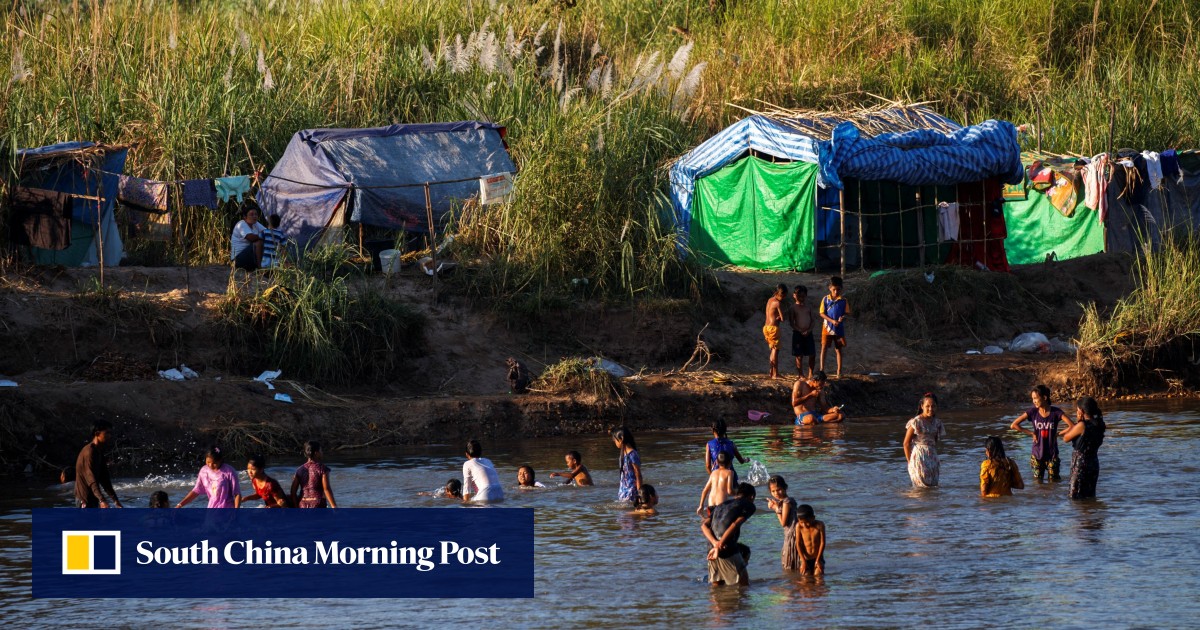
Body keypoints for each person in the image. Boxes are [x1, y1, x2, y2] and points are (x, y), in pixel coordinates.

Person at [1009, 384, 1074, 482]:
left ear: (1044, 397)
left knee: (1054, 483)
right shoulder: (1032, 412)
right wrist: (1031, 433)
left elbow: (1072, 426)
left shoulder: (1056, 412)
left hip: (1052, 454)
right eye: (1032, 399)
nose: (1034, 401)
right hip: (1037, 454)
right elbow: (1014, 425)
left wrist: (1058, 434)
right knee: (1038, 483)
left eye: (1036, 398)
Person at [701, 483, 757, 586]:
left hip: (710, 546)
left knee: (716, 585)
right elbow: (735, 524)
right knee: (743, 584)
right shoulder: (749, 504)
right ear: (752, 496)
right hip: (725, 545)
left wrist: (715, 543)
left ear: (736, 494)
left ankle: (717, 602)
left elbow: (704, 525)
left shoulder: (721, 505)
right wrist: (719, 544)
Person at [1060, 396, 1107, 499]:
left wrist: (1077, 423)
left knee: (1075, 496)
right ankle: (1091, 513)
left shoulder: (1082, 425)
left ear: (1081, 411)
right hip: (1094, 463)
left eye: (1077, 410)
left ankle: (1079, 515)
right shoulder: (1099, 424)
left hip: (1080, 464)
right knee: (1090, 495)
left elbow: (1065, 438)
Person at [73, 420, 123, 509]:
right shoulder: (89, 452)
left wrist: (116, 500)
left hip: (94, 497)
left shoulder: (99, 451)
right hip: (84, 499)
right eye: (107, 433)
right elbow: (91, 479)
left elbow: (105, 479)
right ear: (97, 434)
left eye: (110, 433)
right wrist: (102, 500)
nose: (109, 436)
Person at [903, 392, 946, 487]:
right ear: (922, 406)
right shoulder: (916, 421)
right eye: (928, 406)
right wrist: (910, 462)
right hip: (919, 457)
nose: (930, 409)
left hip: (932, 457)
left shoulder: (937, 423)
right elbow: (906, 443)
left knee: (933, 487)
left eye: (933, 406)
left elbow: (935, 442)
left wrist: (934, 457)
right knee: (921, 489)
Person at [176, 446, 241, 508]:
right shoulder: (204, 471)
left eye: (214, 463)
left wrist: (235, 513)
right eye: (208, 462)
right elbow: (196, 491)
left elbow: (237, 494)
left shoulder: (229, 471)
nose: (210, 465)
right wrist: (180, 505)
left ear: (220, 460)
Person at [766, 475, 800, 571]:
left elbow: (783, 523)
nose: (776, 493)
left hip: (792, 534)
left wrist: (775, 509)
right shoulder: (786, 501)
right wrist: (777, 506)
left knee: (789, 563)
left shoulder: (786, 502)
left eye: (779, 489)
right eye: (773, 491)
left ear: (785, 488)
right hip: (793, 533)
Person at [290, 441, 337, 508]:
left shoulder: (299, 470)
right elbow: (326, 489)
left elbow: (293, 492)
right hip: (317, 503)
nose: (322, 453)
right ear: (316, 453)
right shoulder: (322, 468)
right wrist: (334, 506)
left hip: (302, 503)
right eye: (320, 450)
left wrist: (296, 506)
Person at [819, 276, 849, 379]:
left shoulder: (844, 301)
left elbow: (846, 313)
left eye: (838, 289)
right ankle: (821, 370)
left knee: (839, 349)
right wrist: (832, 321)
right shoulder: (825, 299)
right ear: (830, 288)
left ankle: (839, 371)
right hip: (827, 328)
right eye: (834, 289)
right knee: (824, 348)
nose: (836, 291)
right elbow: (822, 313)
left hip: (839, 329)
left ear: (841, 289)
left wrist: (842, 318)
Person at [789, 285, 817, 378]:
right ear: (794, 295)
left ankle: (810, 373)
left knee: (812, 354)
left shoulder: (808, 307)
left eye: (803, 296)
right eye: (799, 296)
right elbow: (792, 323)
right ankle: (801, 374)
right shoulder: (793, 308)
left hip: (808, 333)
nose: (801, 298)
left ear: (806, 296)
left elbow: (813, 321)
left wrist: (808, 330)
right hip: (798, 333)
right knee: (799, 355)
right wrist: (800, 330)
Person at [230, 204, 265, 271]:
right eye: (251, 214)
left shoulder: (256, 223)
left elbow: (267, 232)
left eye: (256, 214)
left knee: (269, 242)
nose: (254, 216)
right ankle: (260, 268)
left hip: (249, 257)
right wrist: (263, 235)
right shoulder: (241, 224)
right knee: (259, 242)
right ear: (245, 217)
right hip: (238, 259)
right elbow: (251, 238)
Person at [612, 427, 643, 503]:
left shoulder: (632, 454)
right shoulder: (623, 453)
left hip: (631, 489)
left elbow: (638, 474)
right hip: (624, 488)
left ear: (621, 439)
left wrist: (639, 493)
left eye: (615, 440)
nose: (615, 443)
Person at [794, 504, 826, 575]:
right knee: (806, 578)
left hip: (818, 557)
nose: (804, 525)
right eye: (801, 522)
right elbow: (798, 544)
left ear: (813, 518)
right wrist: (803, 561)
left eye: (807, 522)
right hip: (805, 559)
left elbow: (822, 543)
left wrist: (818, 560)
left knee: (819, 577)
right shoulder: (798, 526)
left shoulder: (819, 525)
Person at [763, 284, 787, 379]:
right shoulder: (778, 303)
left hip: (766, 327)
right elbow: (782, 318)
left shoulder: (770, 300)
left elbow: (769, 313)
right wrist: (780, 316)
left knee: (772, 349)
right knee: (775, 351)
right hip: (773, 328)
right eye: (783, 295)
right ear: (778, 293)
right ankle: (775, 373)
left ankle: (771, 372)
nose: (783, 298)